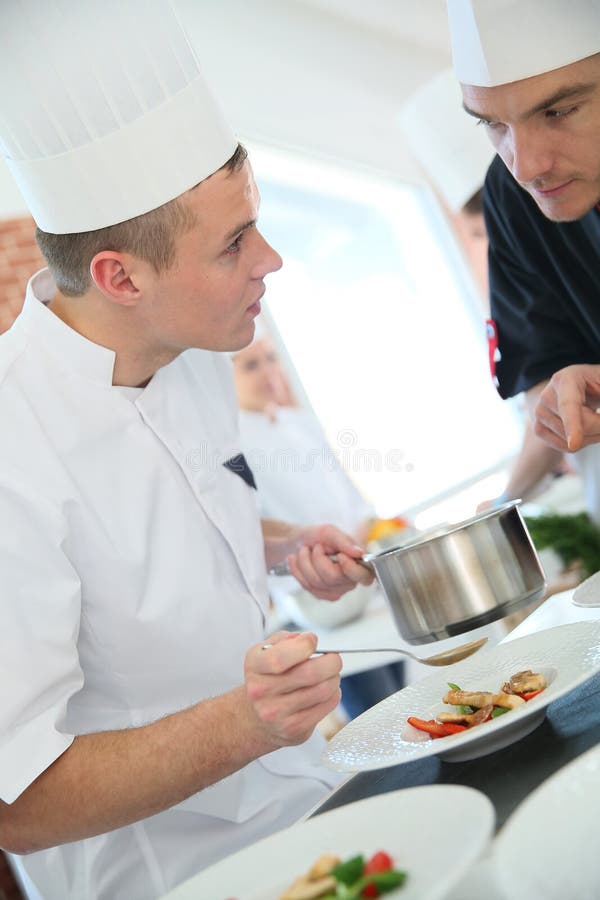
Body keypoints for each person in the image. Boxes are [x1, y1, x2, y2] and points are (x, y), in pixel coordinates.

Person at [0, 4, 374, 899]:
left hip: (316, 800)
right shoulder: (11, 451)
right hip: (180, 876)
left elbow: (174, 522)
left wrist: (283, 547)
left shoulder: (189, 351)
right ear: (120, 278)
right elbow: (16, 801)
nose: (271, 260)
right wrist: (246, 723)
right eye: (234, 243)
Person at [446, 0, 600, 523]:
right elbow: (542, 366)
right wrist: (561, 396)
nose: (526, 165)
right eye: (492, 124)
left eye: (558, 111)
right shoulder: (510, 199)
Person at [232, 331, 406, 719]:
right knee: (380, 715)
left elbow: (351, 499)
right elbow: (251, 526)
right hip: (314, 600)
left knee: (405, 694)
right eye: (251, 364)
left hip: (361, 580)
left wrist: (354, 547)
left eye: (271, 358)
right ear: (227, 377)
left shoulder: (300, 422)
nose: (268, 372)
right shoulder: (232, 445)